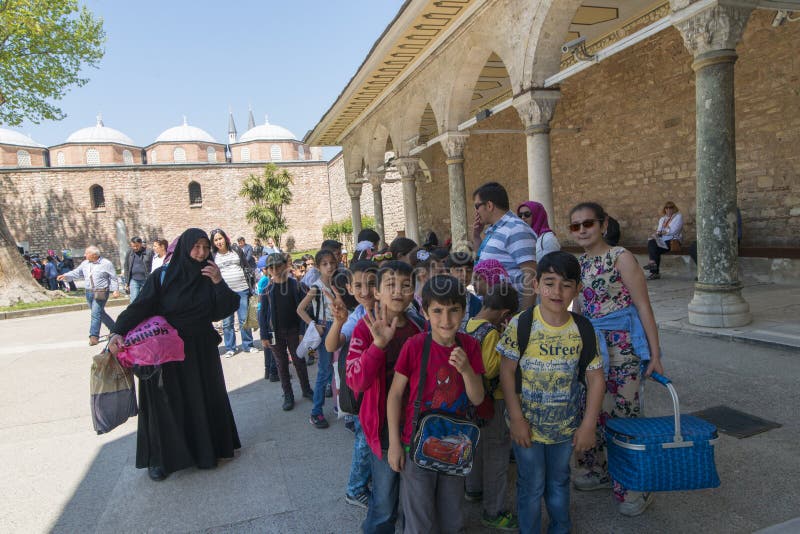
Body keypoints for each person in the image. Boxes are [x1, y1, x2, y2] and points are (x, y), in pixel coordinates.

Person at [107, 228, 241, 481]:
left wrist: (218, 282)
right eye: (196, 247)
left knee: (202, 399)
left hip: (200, 350)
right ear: (184, 248)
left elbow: (225, 308)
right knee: (166, 404)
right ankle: (160, 459)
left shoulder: (208, 276)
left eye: (205, 247)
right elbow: (140, 306)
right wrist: (118, 330)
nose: (201, 253)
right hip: (167, 352)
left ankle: (205, 451)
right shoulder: (162, 277)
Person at [497, 251, 605, 534]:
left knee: (558, 480)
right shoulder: (520, 325)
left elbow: (595, 378)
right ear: (536, 285)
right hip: (527, 428)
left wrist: (588, 424)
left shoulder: (583, 328)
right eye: (549, 282)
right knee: (531, 484)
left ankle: (561, 527)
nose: (557, 291)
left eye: (566, 284)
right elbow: (506, 372)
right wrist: (517, 419)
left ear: (577, 288)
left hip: (565, 428)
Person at [568, 202, 664, 517]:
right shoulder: (578, 264)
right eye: (576, 226)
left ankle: (633, 486)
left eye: (588, 224)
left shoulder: (620, 258)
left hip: (622, 349)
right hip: (593, 348)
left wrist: (655, 355)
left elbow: (643, 307)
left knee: (625, 413)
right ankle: (596, 471)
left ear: (603, 223)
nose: (582, 230)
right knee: (594, 410)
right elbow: (580, 311)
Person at [386, 275, 485, 534]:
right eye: (437, 311)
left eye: (454, 310)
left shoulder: (471, 346)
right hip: (416, 445)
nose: (446, 320)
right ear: (425, 312)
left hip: (456, 445)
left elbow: (477, 398)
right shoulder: (415, 346)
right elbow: (395, 394)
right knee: (419, 518)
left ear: (464, 311)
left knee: (452, 514)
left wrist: (466, 370)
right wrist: (395, 444)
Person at [346, 261, 424, 534]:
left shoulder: (419, 329)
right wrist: (378, 345)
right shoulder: (365, 329)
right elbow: (356, 379)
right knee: (384, 502)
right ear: (376, 292)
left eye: (406, 285)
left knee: (411, 500)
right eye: (390, 285)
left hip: (414, 428)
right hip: (381, 429)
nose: (398, 291)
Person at [464, 281, 519, 530]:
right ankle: (493, 510)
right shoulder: (492, 333)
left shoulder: (467, 324)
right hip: (492, 402)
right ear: (505, 314)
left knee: (474, 448)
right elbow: (490, 368)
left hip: (469, 402)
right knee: (497, 454)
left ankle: (473, 489)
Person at [324, 260, 379, 509]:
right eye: (358, 285)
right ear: (349, 286)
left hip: (383, 388)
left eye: (371, 283)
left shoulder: (389, 310)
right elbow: (332, 345)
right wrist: (337, 321)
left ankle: (369, 483)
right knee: (364, 440)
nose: (365, 290)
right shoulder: (355, 316)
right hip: (362, 392)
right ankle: (355, 489)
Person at [259, 252, 314, 409]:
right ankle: (288, 394)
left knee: (299, 360)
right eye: (271, 267)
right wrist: (264, 335)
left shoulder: (296, 285)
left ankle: (306, 389)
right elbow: (262, 314)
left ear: (286, 266)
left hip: (294, 331)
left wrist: (303, 330)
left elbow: (307, 309)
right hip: (275, 333)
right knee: (281, 364)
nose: (275, 269)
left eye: (279, 266)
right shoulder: (267, 289)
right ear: (268, 270)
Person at [472, 182, 537, 308]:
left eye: (477, 206)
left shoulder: (516, 229)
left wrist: (523, 317)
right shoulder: (496, 229)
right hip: (493, 310)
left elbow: (531, 275)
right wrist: (476, 236)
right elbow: (481, 262)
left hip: (510, 314)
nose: (476, 211)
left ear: (489, 205)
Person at [297, 249, 338, 428]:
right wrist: (314, 325)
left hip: (338, 325)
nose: (329, 266)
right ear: (318, 266)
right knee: (324, 371)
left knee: (338, 368)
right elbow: (300, 309)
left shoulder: (337, 283)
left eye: (332, 263)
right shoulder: (316, 286)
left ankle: (340, 405)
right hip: (326, 326)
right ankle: (316, 412)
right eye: (325, 264)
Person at [58, 245, 120, 345]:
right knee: (99, 313)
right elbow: (77, 273)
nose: (84, 255)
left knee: (95, 314)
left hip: (101, 291)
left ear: (94, 255)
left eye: (86, 253)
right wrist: (65, 276)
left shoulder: (106, 263)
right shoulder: (85, 263)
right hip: (89, 292)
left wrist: (115, 290)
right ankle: (115, 329)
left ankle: (94, 336)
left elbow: (113, 277)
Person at [210, 228, 257, 357]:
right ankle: (231, 347)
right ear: (213, 243)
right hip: (225, 292)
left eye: (220, 238)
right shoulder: (213, 256)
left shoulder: (236, 250)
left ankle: (248, 345)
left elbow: (246, 266)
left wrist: (252, 282)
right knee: (227, 322)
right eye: (216, 240)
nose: (219, 242)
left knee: (244, 319)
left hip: (242, 288)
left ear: (225, 238)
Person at [645, 201, 683, 280]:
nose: (668, 209)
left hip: (673, 241)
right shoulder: (662, 219)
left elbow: (673, 231)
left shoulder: (678, 217)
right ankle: (653, 266)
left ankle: (654, 272)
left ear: (674, 208)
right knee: (651, 242)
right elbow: (659, 231)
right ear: (664, 209)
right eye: (667, 208)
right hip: (662, 241)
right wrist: (655, 235)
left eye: (671, 207)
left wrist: (661, 232)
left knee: (654, 250)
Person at [124, 237, 154, 302]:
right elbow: (126, 267)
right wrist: (126, 282)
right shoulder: (129, 252)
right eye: (133, 246)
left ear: (141, 244)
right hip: (134, 280)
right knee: (133, 300)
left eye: (137, 246)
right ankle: (133, 312)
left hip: (146, 279)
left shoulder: (148, 252)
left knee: (146, 299)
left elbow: (153, 265)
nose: (135, 248)